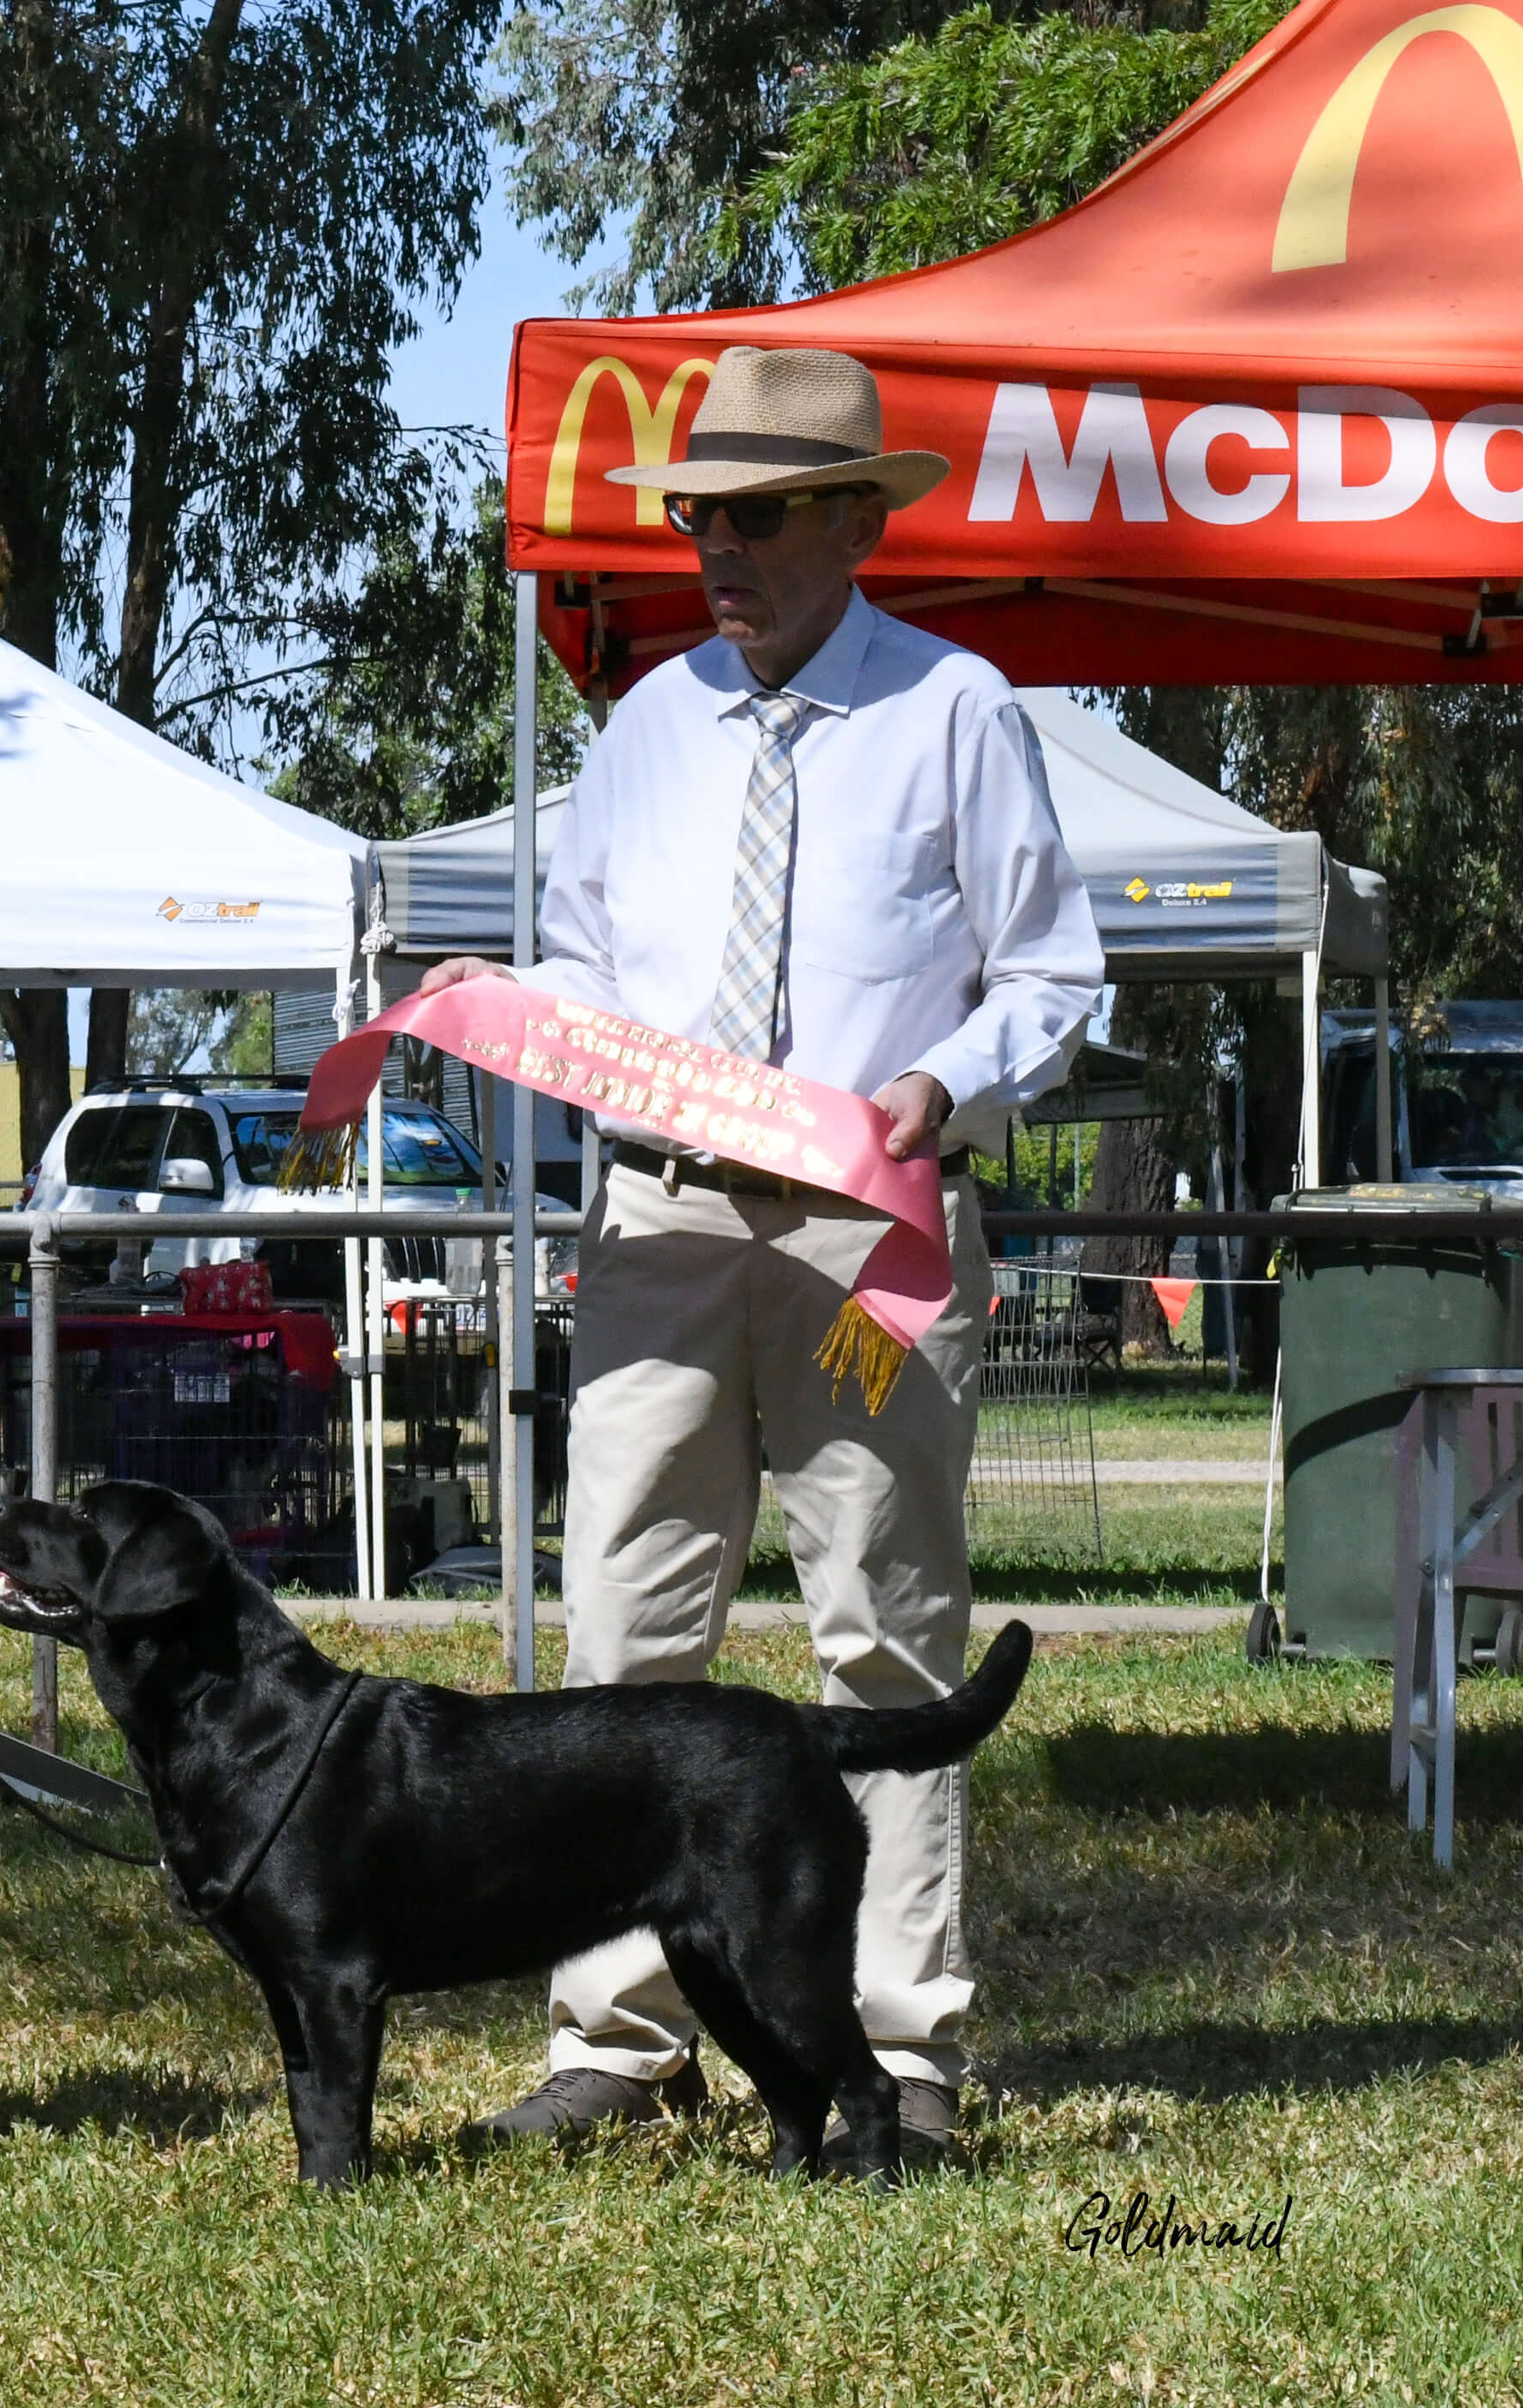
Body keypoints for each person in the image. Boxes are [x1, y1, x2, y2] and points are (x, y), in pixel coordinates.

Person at [441, 346, 1103, 2166]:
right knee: (619, 1649)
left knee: (881, 1640)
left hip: (864, 1233)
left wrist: (931, 1087)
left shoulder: (960, 709)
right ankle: (616, 2038)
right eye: (695, 517)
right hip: (653, 1219)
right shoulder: (648, 721)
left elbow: (1055, 976)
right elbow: (579, 952)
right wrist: (556, 1036)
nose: (711, 547)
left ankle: (904, 2059)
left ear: (847, 520)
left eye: (747, 514)